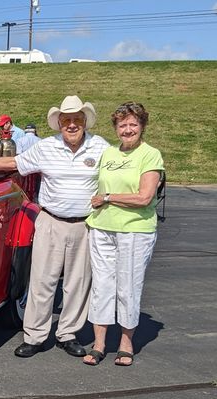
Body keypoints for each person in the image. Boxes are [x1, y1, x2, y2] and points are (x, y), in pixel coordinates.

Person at [0, 95, 110, 359]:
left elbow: (118, 172)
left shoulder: (100, 147)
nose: (72, 125)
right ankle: (35, 336)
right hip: (51, 220)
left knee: (78, 283)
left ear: (85, 121)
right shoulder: (46, 146)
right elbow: (15, 163)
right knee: (42, 280)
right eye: (67, 120)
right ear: (59, 123)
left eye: (77, 119)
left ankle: (68, 334)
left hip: (84, 225)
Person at [82, 102, 164, 367]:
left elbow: (144, 197)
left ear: (142, 126)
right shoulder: (109, 153)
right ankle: (99, 343)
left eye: (133, 124)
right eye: (122, 125)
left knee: (128, 286)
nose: (127, 130)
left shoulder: (150, 155)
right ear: (116, 128)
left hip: (134, 230)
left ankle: (126, 343)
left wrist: (107, 197)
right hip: (102, 227)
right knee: (102, 285)